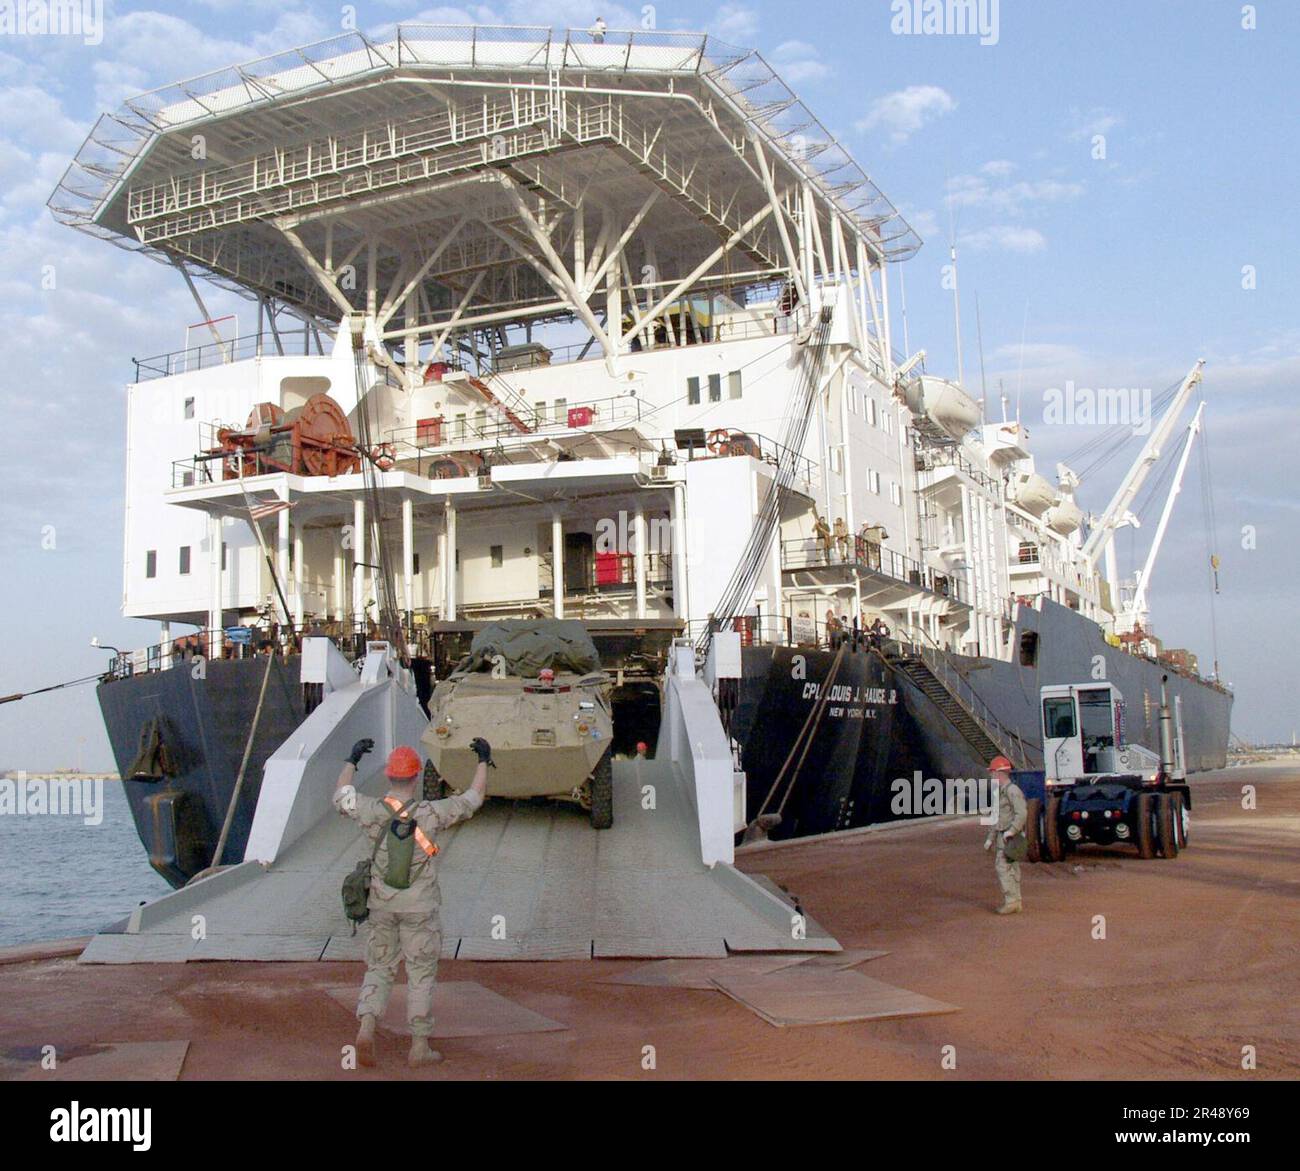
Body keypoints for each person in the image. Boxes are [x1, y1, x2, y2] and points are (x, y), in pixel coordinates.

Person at [333, 735, 492, 1066]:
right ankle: (419, 1047)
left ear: (388, 776)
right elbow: (473, 799)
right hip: (420, 908)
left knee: (379, 967)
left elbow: (341, 796)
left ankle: (366, 1025)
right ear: (416, 777)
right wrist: (482, 761)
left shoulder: (372, 811)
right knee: (420, 974)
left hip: (381, 906)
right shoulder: (431, 814)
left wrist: (352, 760)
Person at [984, 756, 1027, 915]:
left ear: (998, 773)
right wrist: (990, 838)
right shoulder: (1000, 792)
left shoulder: (1012, 791)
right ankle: (1016, 901)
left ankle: (1012, 901)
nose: (991, 776)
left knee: (1003, 867)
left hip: (1010, 838)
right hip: (1004, 836)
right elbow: (997, 817)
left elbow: (1022, 813)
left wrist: (1012, 831)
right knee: (1011, 869)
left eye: (992, 772)